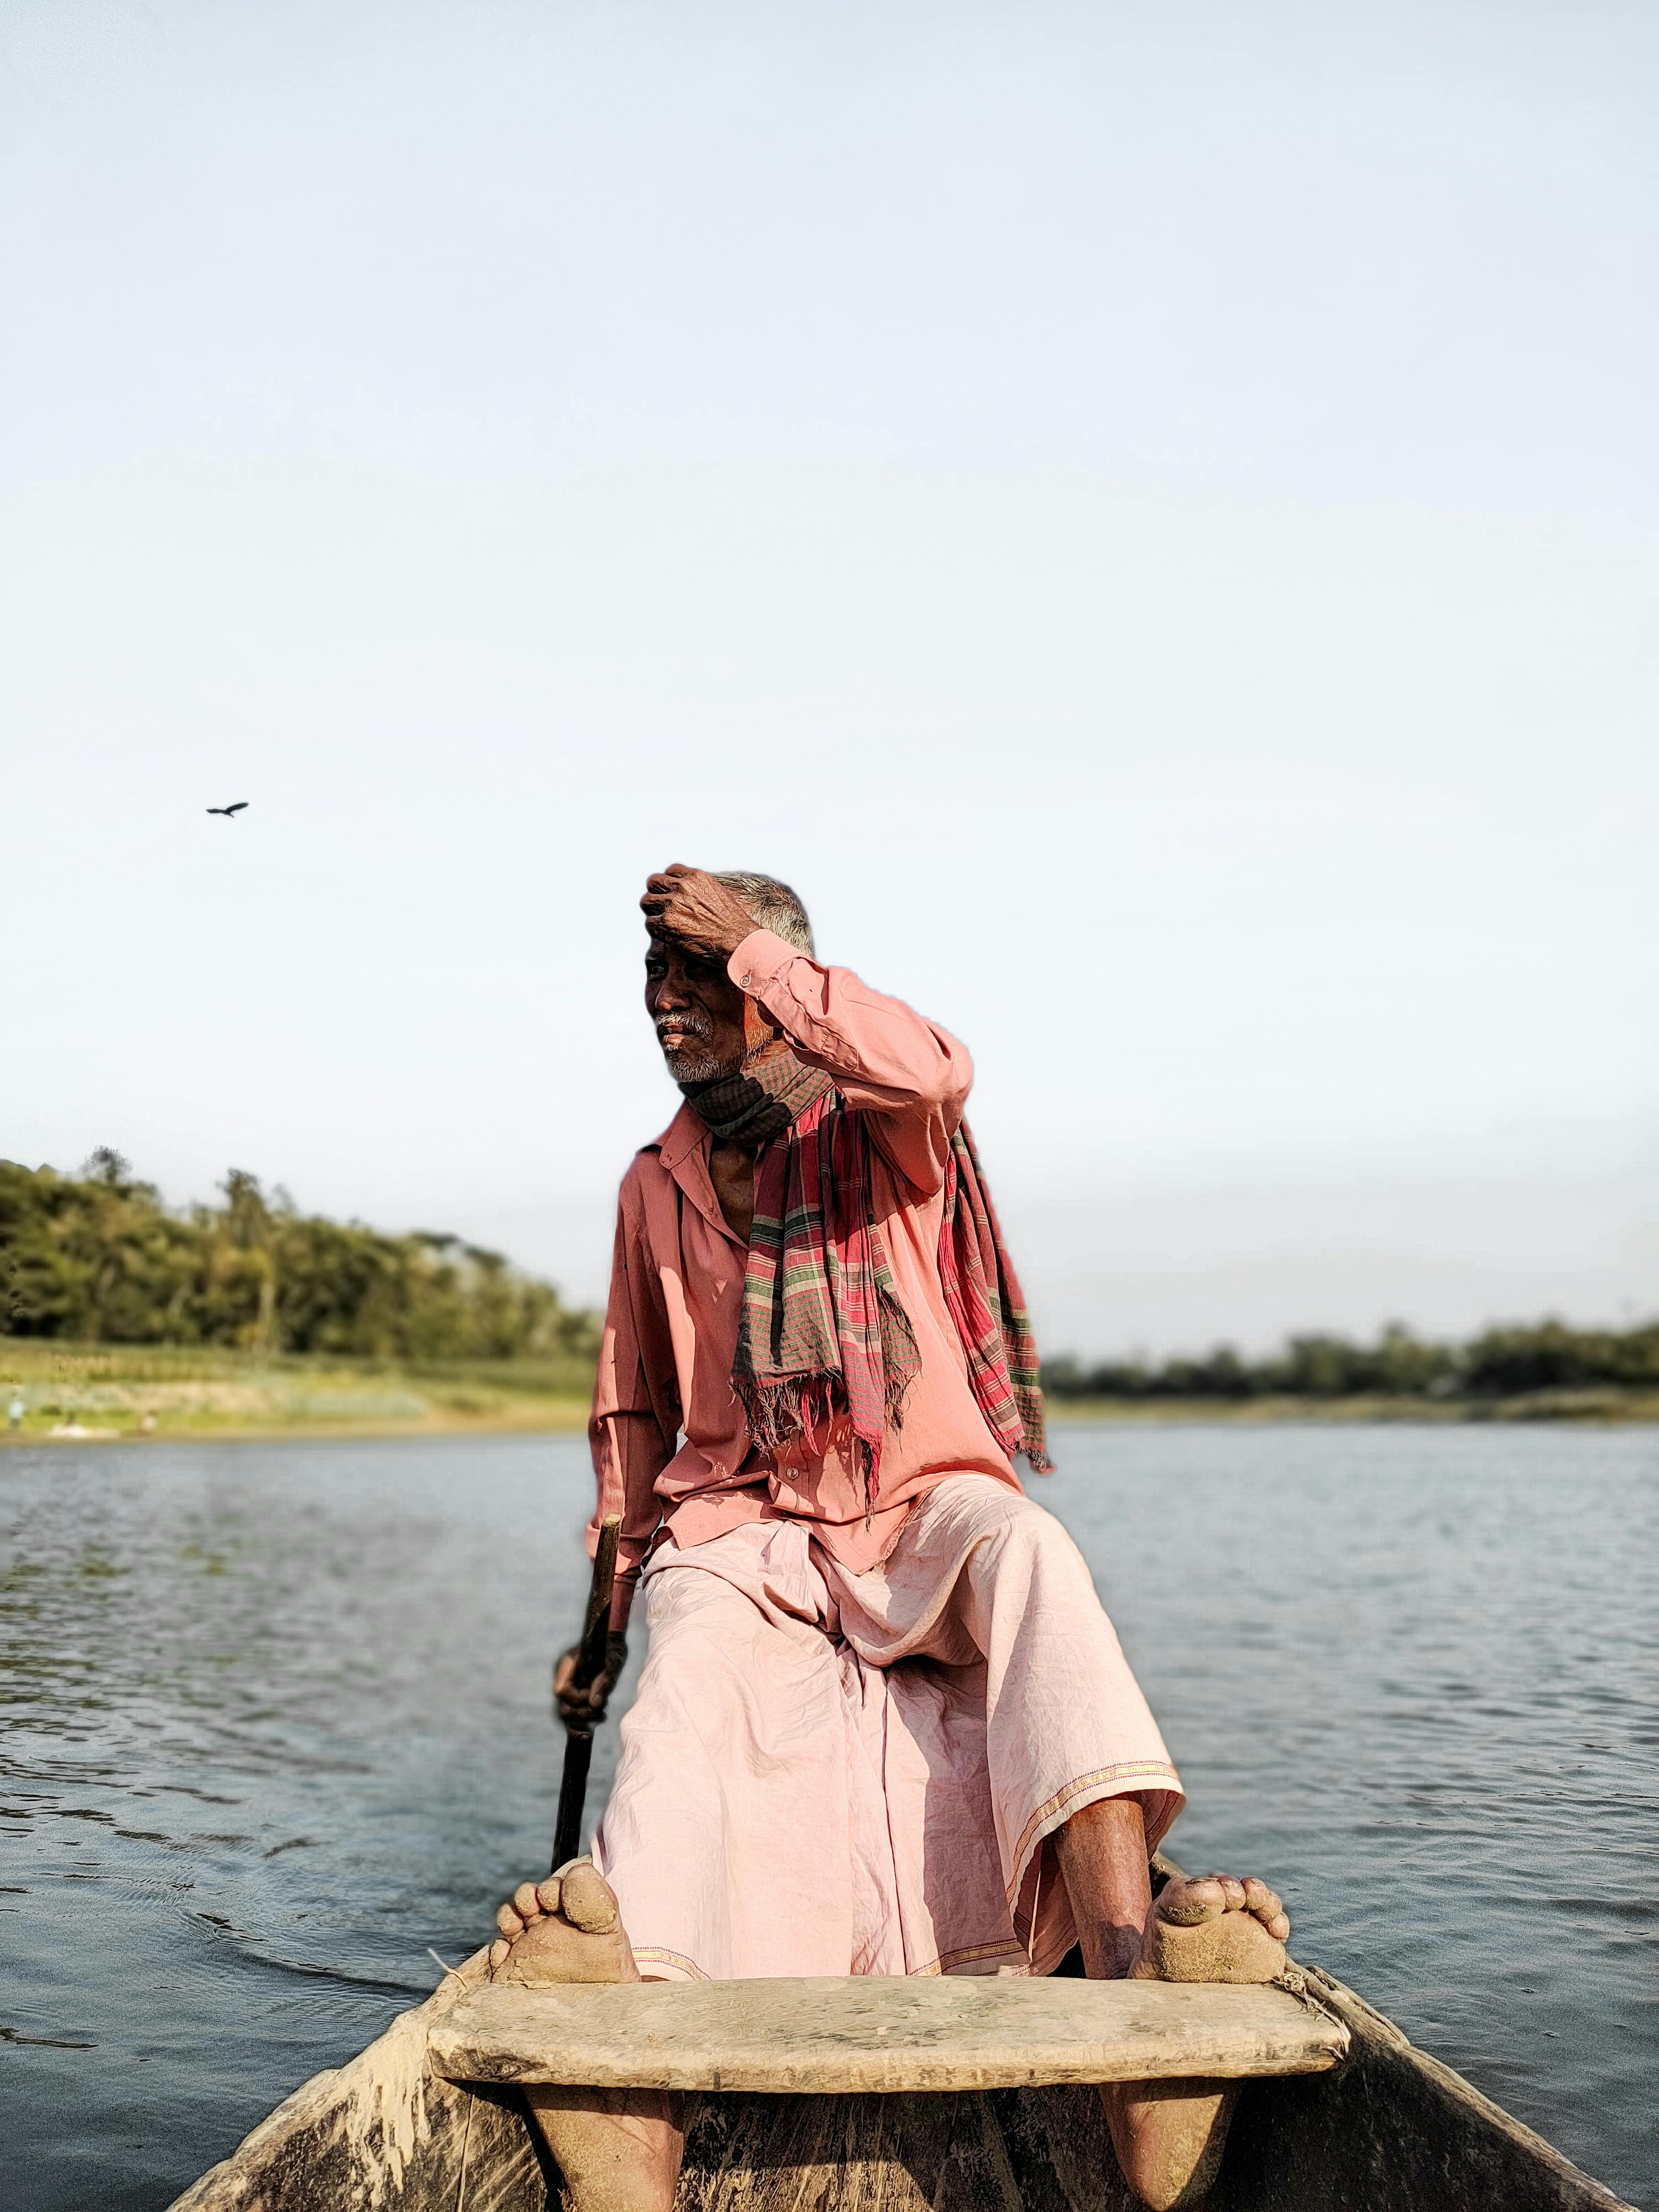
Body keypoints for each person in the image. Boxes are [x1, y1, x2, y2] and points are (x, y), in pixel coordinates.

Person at [487, 867, 1292, 2212]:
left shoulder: (883, 1127)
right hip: (745, 1525)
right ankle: (633, 2082)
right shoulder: (652, 1183)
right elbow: (632, 1417)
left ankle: (1134, 1991)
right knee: (690, 1652)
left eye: (699, 976)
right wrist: (604, 1624)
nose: (668, 1003)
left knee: (1031, 1554)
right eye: (655, 980)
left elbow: (933, 1067)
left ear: (774, 986)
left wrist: (752, 949)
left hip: (915, 1501)